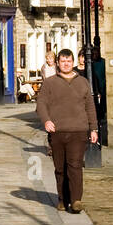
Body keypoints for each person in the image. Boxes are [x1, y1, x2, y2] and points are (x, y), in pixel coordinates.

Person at [35, 47, 98, 214]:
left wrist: (94, 129)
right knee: (60, 168)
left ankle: (76, 200)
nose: (66, 64)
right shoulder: (50, 83)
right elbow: (41, 104)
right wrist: (47, 120)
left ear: (73, 62)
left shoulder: (83, 82)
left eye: (68, 61)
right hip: (58, 131)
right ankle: (63, 199)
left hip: (78, 131)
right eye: (62, 61)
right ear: (57, 63)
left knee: (75, 165)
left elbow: (90, 107)